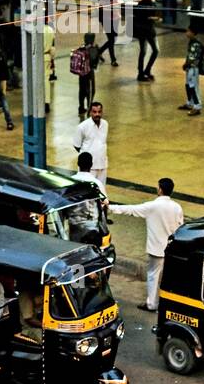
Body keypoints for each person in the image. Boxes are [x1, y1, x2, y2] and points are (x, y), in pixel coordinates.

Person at [109, 178, 184, 312]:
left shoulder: (152, 206)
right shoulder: (177, 207)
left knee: (153, 276)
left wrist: (110, 207)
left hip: (156, 249)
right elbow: (180, 227)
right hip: (171, 248)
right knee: (168, 277)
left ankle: (151, 304)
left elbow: (131, 209)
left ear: (160, 189)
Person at [73, 100, 108, 191]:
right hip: (89, 168)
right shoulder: (82, 127)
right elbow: (77, 145)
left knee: (101, 190)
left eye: (99, 112)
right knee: (87, 190)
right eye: (94, 112)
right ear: (90, 112)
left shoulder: (105, 124)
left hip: (102, 164)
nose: (97, 114)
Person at [133, 0, 159, 81]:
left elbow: (136, 15)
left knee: (143, 52)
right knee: (155, 51)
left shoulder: (141, 2)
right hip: (148, 31)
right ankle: (146, 71)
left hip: (140, 31)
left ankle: (141, 72)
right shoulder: (152, 4)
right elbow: (150, 17)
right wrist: (155, 18)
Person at [73, 31, 98, 118]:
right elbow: (95, 62)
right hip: (89, 73)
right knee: (90, 90)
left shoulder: (81, 48)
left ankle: (81, 107)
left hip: (81, 73)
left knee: (82, 90)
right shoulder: (93, 49)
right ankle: (89, 108)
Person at [181, 28, 203, 116]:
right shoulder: (191, 42)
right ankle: (190, 102)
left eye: (188, 31)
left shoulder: (196, 44)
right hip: (189, 68)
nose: (186, 33)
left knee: (193, 86)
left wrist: (187, 64)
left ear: (193, 33)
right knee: (188, 85)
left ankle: (197, 106)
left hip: (193, 68)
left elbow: (192, 57)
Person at [97, 0, 119, 66]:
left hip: (108, 21)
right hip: (108, 21)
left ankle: (100, 52)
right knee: (111, 40)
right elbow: (107, 10)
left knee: (111, 40)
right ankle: (112, 60)